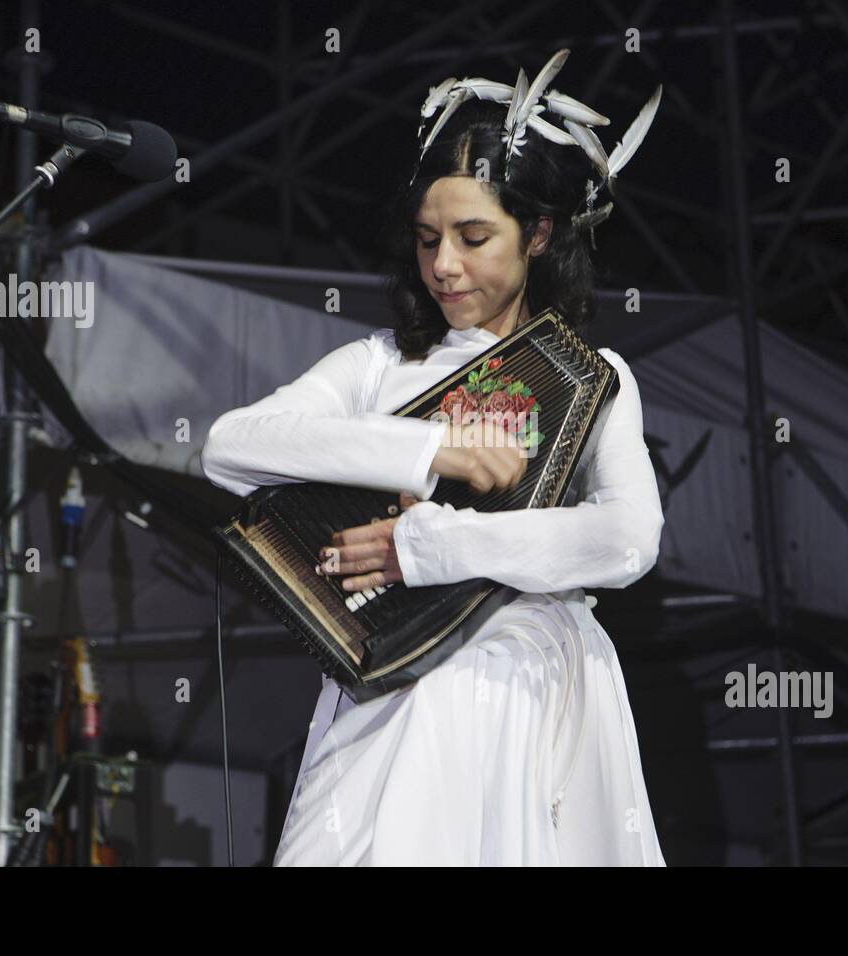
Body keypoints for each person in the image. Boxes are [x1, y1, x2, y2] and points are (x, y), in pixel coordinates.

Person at [200, 53, 667, 865]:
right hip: (382, 670)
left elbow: (629, 540)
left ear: (541, 234)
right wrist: (432, 445)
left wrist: (430, 547)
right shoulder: (380, 366)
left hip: (510, 663)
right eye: (427, 239)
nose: (444, 264)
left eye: (473, 237)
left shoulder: (592, 382)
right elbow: (231, 448)